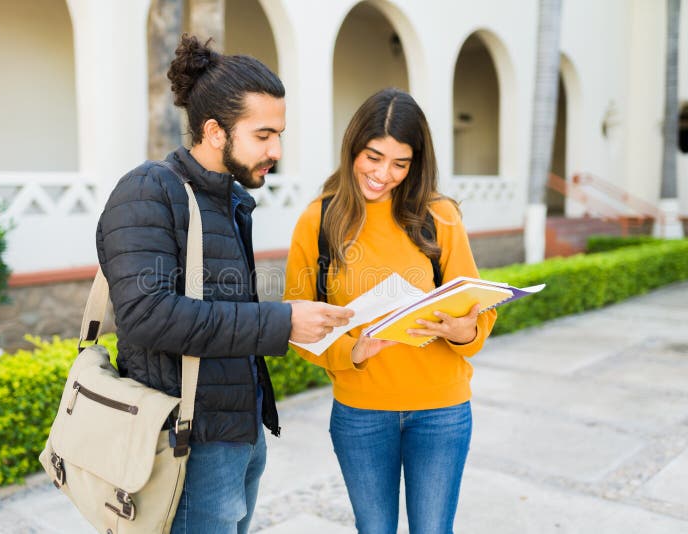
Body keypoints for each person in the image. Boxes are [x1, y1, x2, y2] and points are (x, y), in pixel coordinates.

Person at [96, 34, 353, 534]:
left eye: (279, 133)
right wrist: (282, 322)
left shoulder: (227, 199)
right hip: (187, 444)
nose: (276, 149)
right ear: (215, 131)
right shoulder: (149, 189)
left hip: (240, 432)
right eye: (263, 135)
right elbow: (147, 315)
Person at [283, 88, 497, 534]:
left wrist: (461, 330)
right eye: (373, 157)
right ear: (353, 148)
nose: (384, 174)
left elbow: (479, 314)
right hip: (361, 413)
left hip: (442, 412)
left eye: (400, 164)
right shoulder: (318, 220)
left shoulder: (441, 216)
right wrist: (351, 353)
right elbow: (296, 321)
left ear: (416, 163)